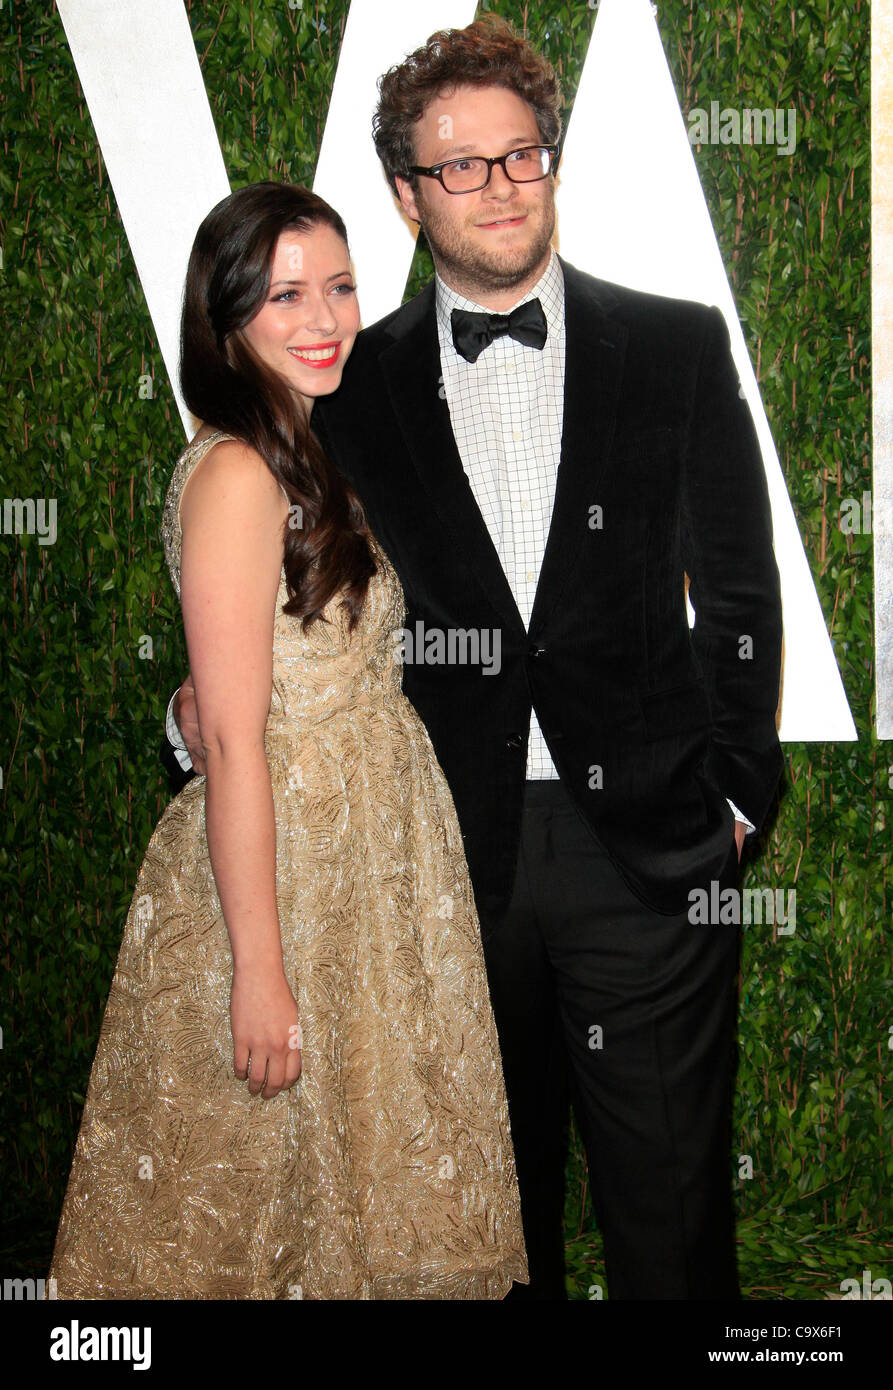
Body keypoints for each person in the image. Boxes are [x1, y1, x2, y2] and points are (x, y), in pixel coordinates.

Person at [171, 17, 784, 1301]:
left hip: (652, 854)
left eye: (522, 156)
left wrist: (735, 794)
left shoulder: (672, 345)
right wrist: (198, 720)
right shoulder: (343, 384)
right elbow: (278, 608)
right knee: (477, 1236)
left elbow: (735, 587)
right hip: (437, 867)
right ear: (406, 193)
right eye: (461, 166)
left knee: (672, 1230)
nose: (500, 187)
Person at [48, 181, 528, 1300]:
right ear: (226, 323)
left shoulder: (308, 449)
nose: (324, 319)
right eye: (285, 296)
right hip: (288, 877)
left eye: (342, 287)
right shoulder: (234, 470)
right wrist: (258, 973)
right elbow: (232, 731)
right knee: (257, 1211)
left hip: (367, 866)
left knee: (347, 1206)